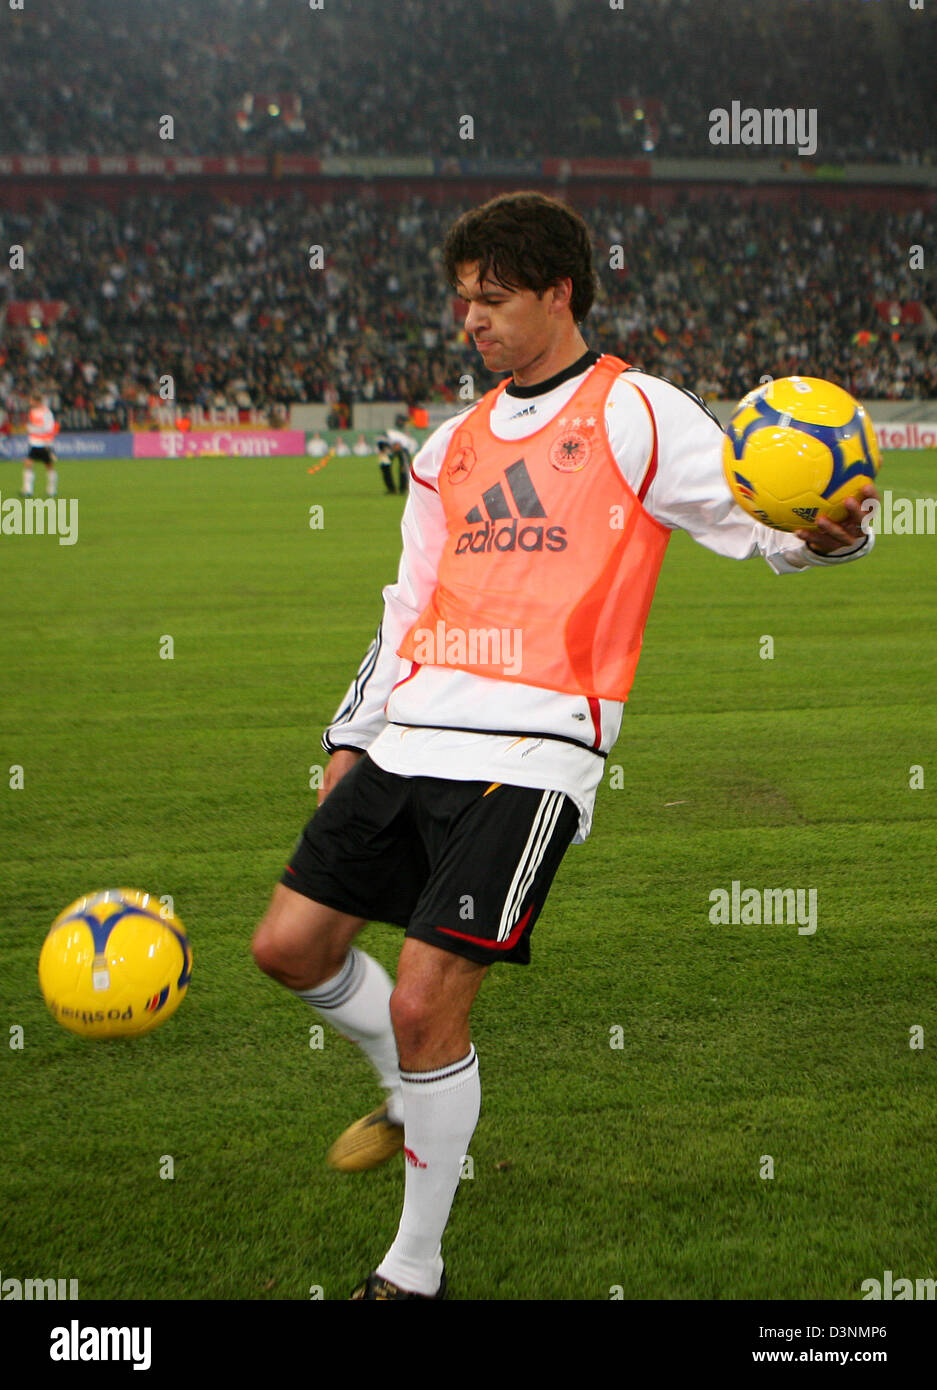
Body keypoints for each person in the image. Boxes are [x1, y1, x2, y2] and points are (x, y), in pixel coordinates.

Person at [251, 191, 877, 1300]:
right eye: (462, 301)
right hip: (410, 732)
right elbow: (407, 605)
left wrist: (832, 538)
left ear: (559, 293)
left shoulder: (637, 412)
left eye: (492, 299)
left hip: (533, 749)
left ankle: (413, 1267)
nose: (472, 321)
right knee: (289, 947)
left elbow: (757, 527)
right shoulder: (448, 446)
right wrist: (351, 736)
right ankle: (405, 1090)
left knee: (424, 996)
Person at [23, 392, 59, 498]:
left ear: (37, 401)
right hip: (34, 443)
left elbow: (49, 428)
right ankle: (28, 490)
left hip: (44, 443)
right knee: (28, 463)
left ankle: (52, 490)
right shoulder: (32, 411)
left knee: (49, 466)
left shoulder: (46, 412)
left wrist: (33, 429)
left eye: (31, 400)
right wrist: (30, 429)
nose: (30, 402)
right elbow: (31, 425)